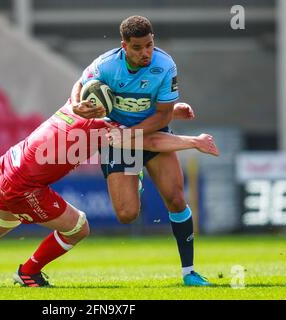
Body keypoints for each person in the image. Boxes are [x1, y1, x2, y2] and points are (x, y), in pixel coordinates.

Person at [0, 98, 219, 288]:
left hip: (6, 164)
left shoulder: (72, 105)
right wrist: (193, 141)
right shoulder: (105, 129)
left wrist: (172, 112)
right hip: (23, 186)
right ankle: (28, 272)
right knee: (78, 228)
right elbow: (152, 140)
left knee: (3, 221)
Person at [71, 15, 214, 286]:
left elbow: (162, 116)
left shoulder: (164, 65)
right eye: (137, 48)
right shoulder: (106, 65)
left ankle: (189, 272)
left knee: (175, 198)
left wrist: (133, 135)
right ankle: (133, 176)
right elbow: (80, 84)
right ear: (124, 45)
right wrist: (78, 104)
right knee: (126, 215)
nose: (145, 53)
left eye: (149, 45)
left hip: (152, 133)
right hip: (119, 141)